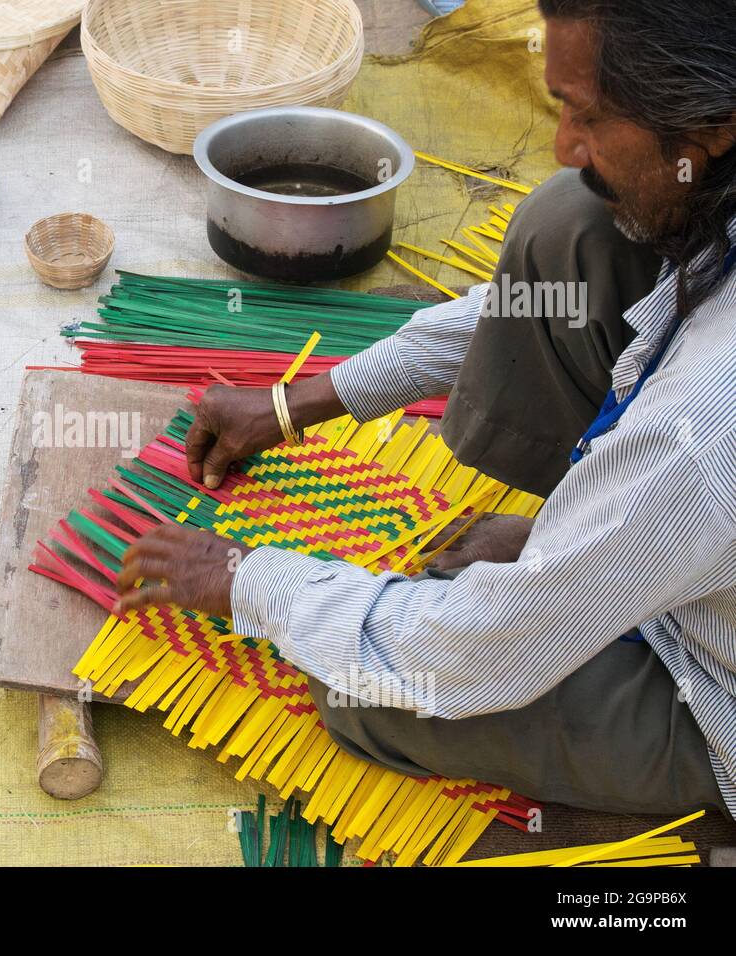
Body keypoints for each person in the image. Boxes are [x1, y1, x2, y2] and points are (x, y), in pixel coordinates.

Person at [111, 0, 736, 819]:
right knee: (573, 224)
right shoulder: (712, 171)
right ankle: (605, 557)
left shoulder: (700, 424)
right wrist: (296, 403)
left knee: (364, 686)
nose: (562, 144)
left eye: (589, 116)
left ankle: (611, 580)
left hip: (717, 687)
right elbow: (524, 301)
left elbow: (462, 658)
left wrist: (244, 581)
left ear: (711, 126)